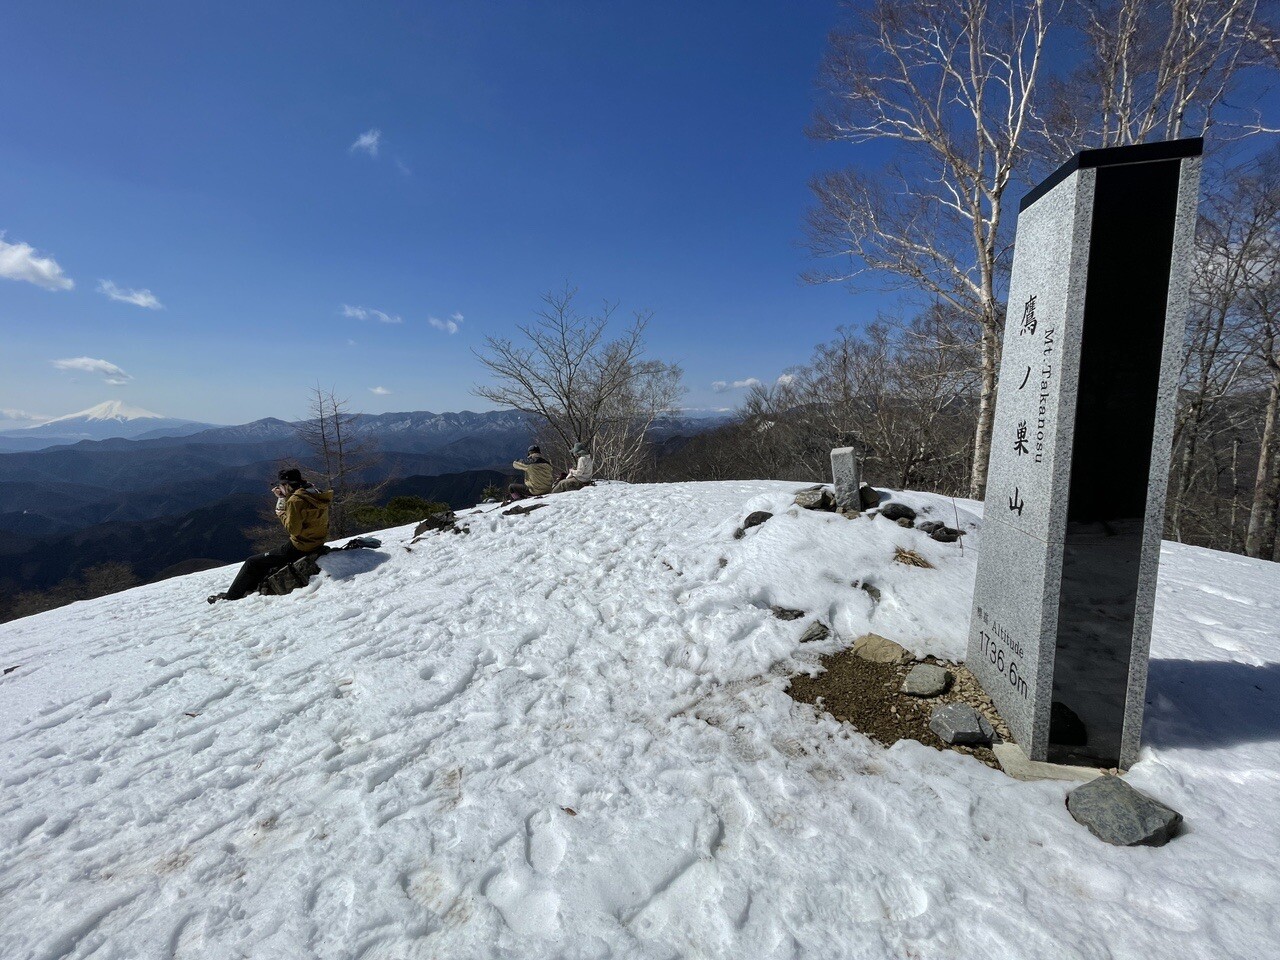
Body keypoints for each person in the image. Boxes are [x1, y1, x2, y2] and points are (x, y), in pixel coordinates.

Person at [208, 468, 334, 603]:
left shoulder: (295, 500)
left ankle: (231, 596)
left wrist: (280, 507)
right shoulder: (315, 493)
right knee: (267, 562)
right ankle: (251, 588)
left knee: (252, 562)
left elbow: (293, 529)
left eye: (280, 485)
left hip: (300, 545)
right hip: (317, 541)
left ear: (286, 485)